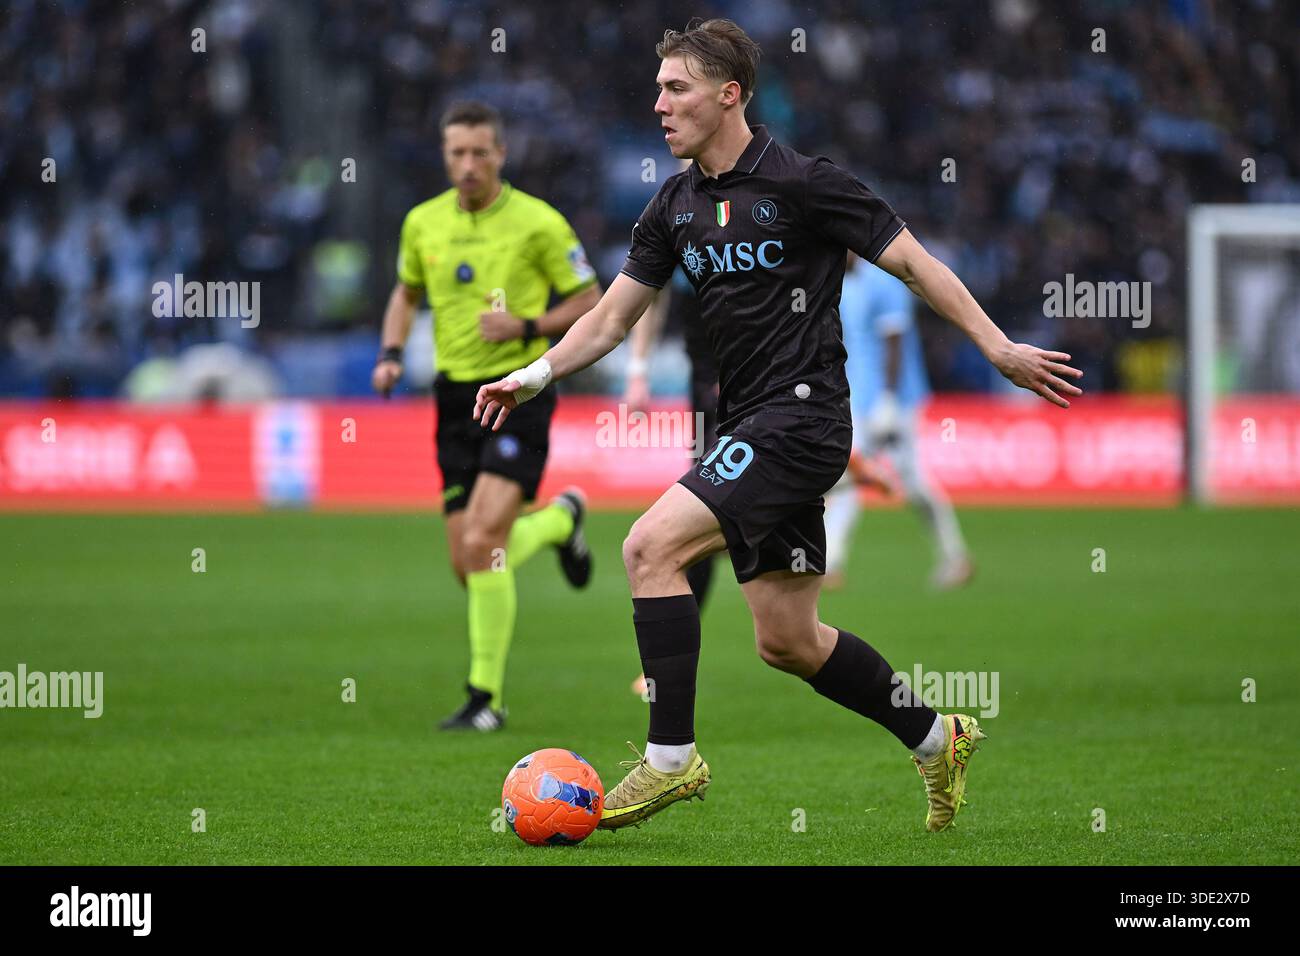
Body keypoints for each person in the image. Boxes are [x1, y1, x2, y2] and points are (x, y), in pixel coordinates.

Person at [473, 20, 1082, 831]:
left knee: (647, 548)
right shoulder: (673, 205)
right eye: (657, 88)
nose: (657, 104)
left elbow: (915, 262)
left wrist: (998, 346)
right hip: (741, 425)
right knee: (790, 641)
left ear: (729, 94)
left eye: (675, 88)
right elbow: (613, 318)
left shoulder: (805, 183)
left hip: (801, 421)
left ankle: (670, 761)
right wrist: (539, 372)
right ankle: (939, 736)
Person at [374, 101, 602, 731]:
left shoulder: (538, 223)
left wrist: (526, 326)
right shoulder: (422, 223)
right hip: (452, 401)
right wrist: (391, 353)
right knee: (469, 563)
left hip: (517, 392)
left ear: (501, 154)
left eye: (480, 152)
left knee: (481, 544)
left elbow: (592, 300)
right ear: (444, 156)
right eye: (456, 154)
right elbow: (406, 291)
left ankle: (486, 701)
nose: (468, 165)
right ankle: (561, 521)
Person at [823, 254, 972, 591]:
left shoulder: (885, 283)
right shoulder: (840, 283)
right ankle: (831, 562)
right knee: (850, 471)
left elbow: (895, 344)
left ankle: (955, 556)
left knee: (912, 481)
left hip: (895, 401)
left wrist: (889, 400)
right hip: (858, 399)